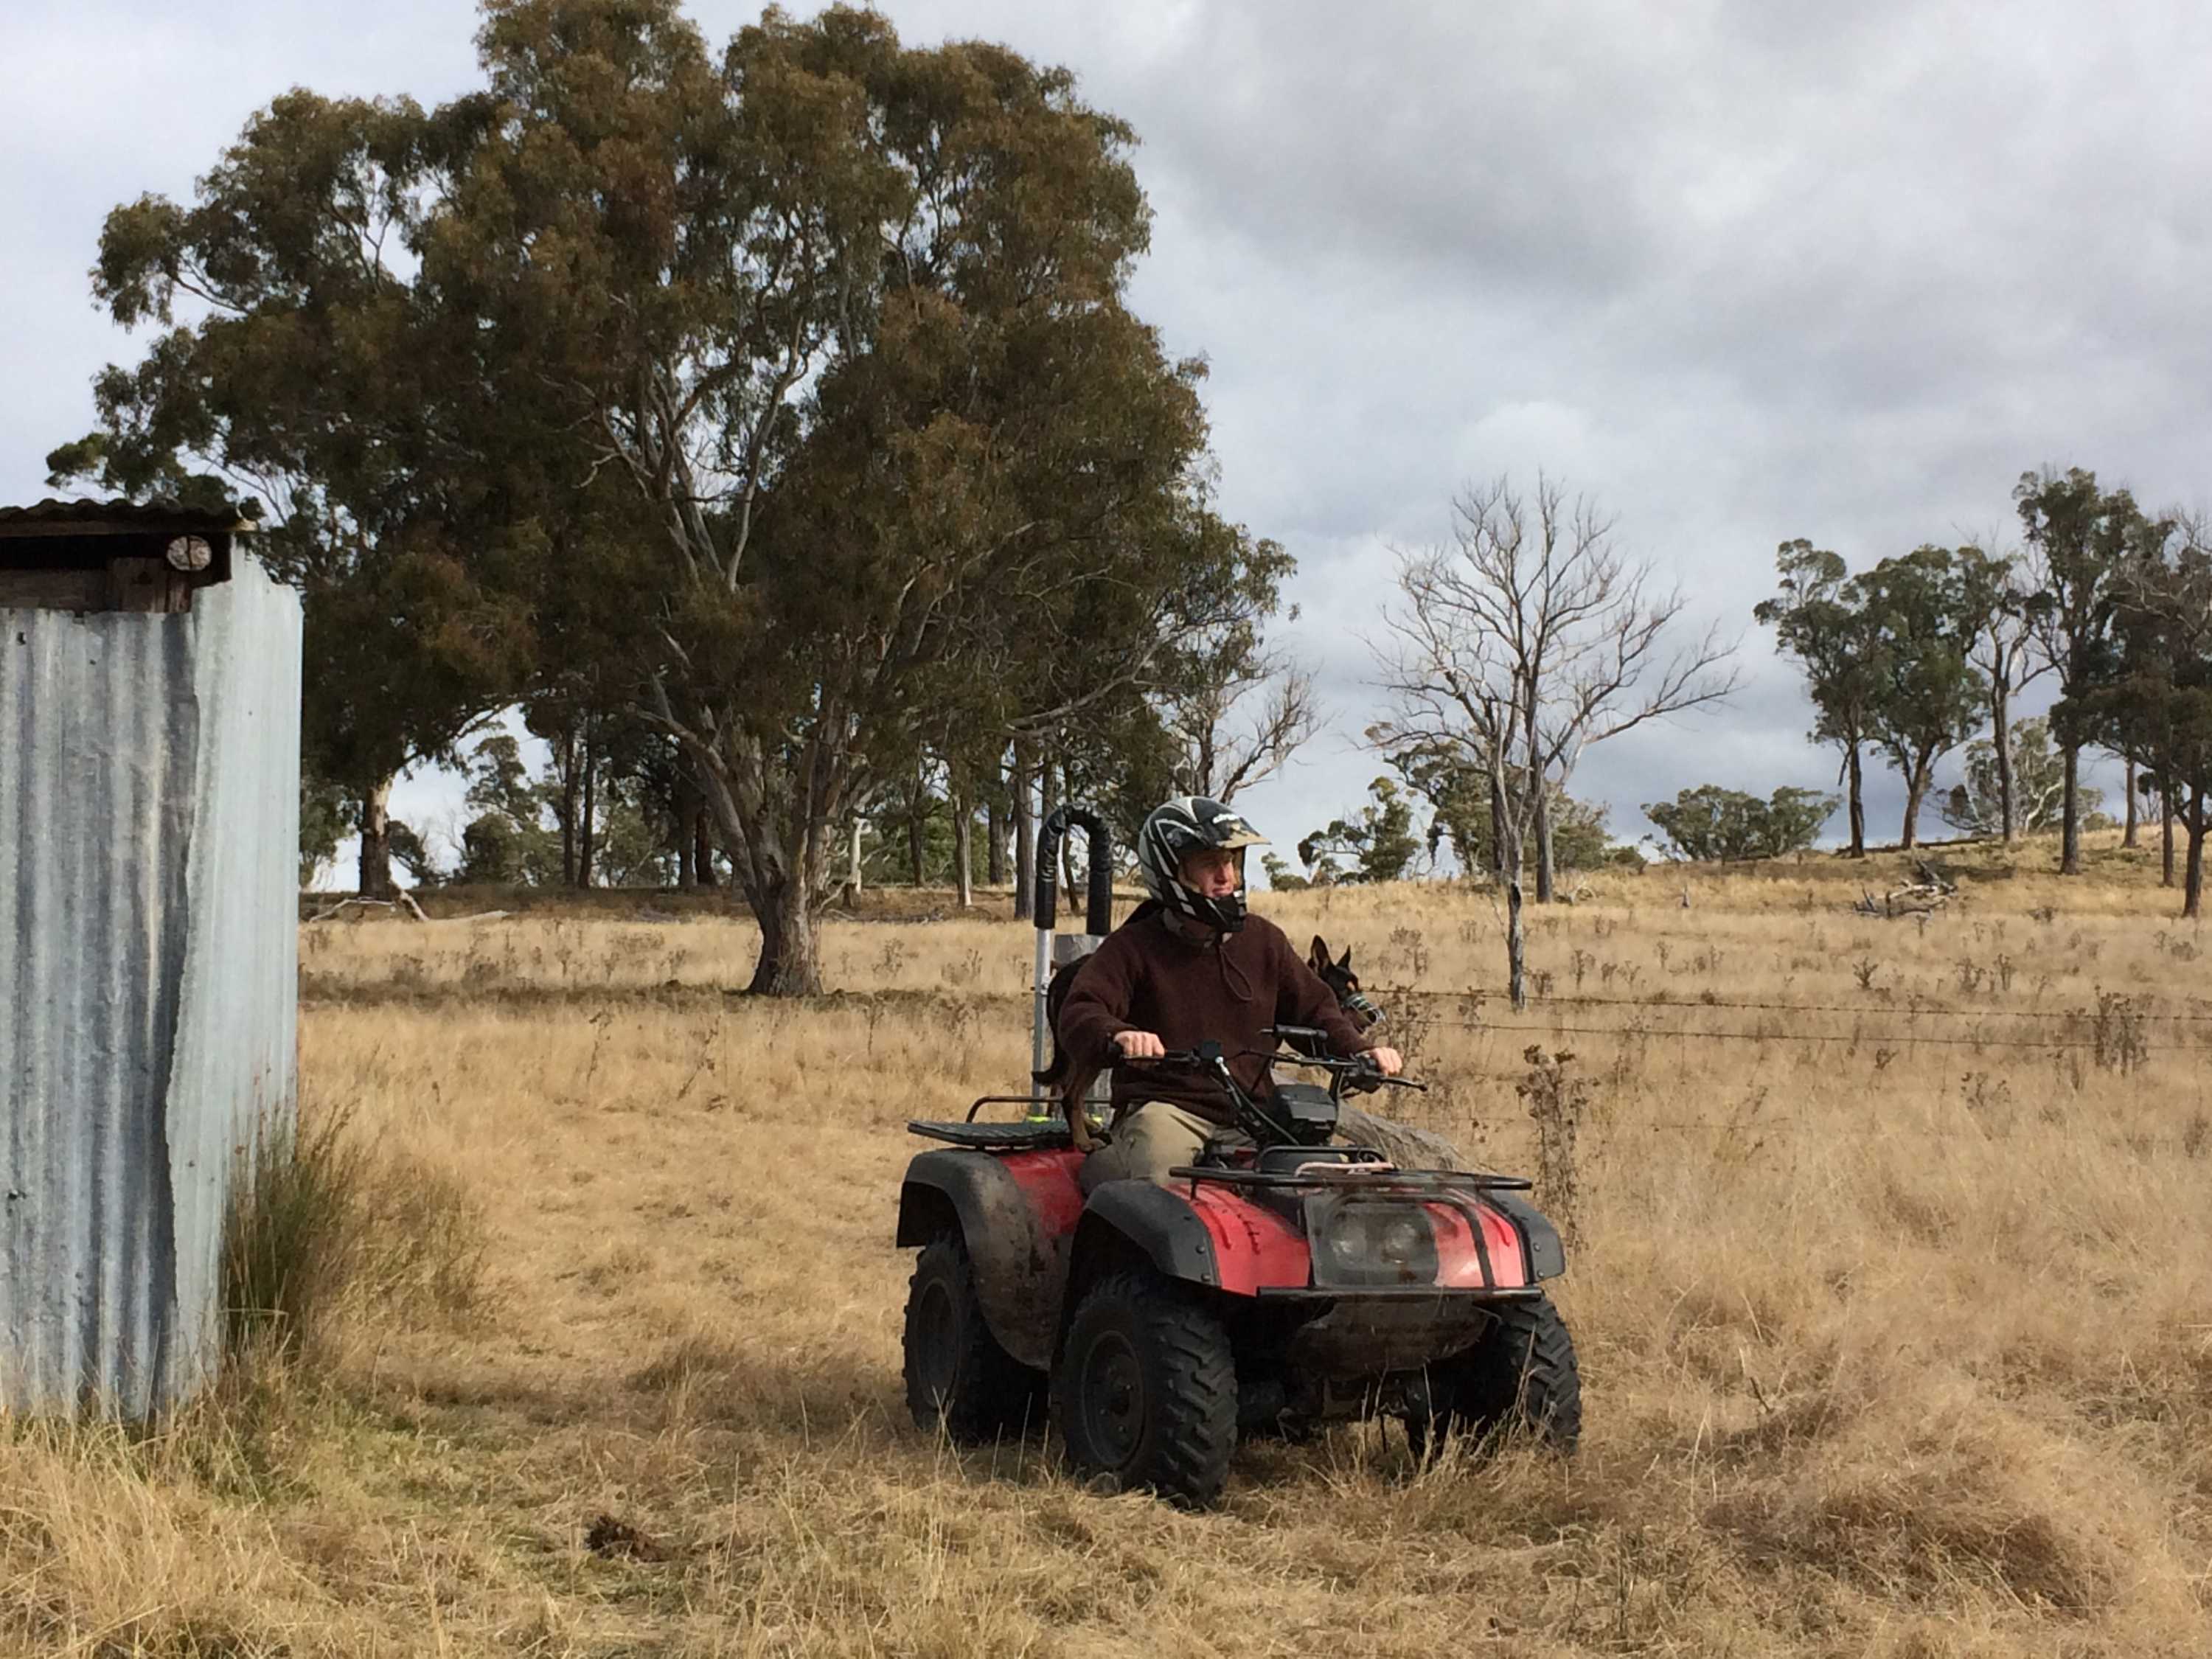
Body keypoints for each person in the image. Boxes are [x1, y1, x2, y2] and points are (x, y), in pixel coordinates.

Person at [1056, 796, 1403, 1188]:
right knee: (1160, 1181)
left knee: (1328, 1185)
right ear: (1171, 872)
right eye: (1209, 864)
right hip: (1167, 1109)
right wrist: (1118, 1034)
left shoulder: (1263, 941)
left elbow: (1317, 1011)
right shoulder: (1134, 945)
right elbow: (1081, 1010)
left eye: (1232, 862)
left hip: (1255, 1115)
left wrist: (1360, 1053)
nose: (1227, 877)